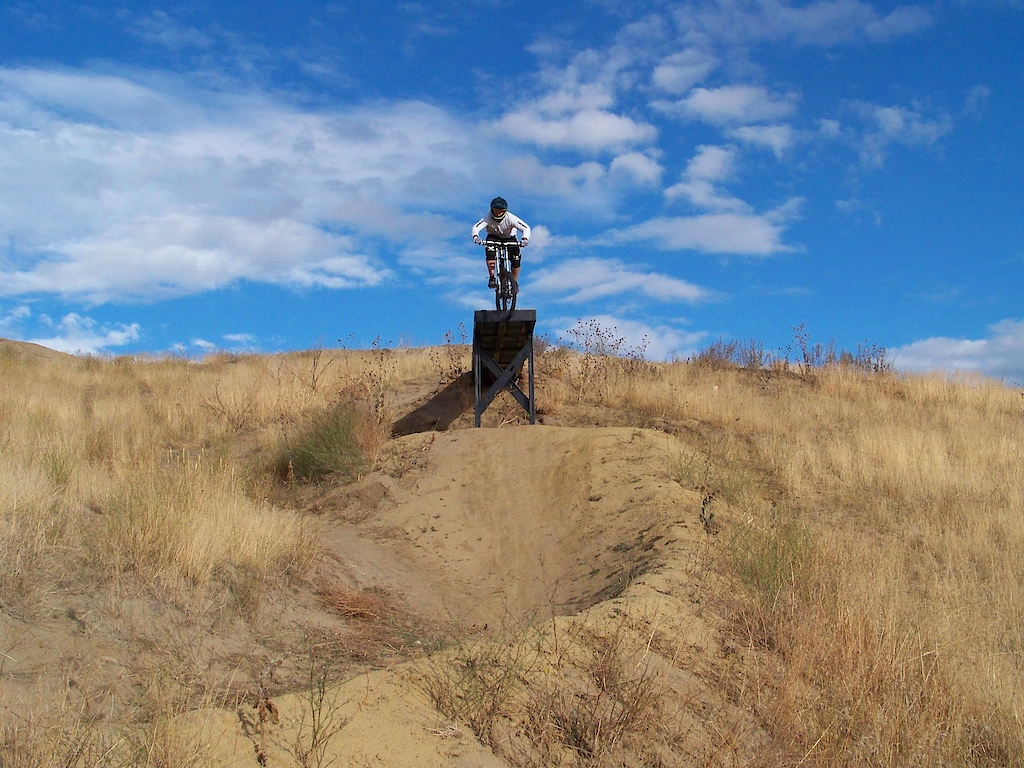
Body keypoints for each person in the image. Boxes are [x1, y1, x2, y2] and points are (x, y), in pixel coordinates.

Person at [471, 196, 530, 290]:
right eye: (496, 210)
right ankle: (492, 277)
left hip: (509, 238)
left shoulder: (511, 218)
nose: (498, 213)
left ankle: (514, 281)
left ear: (505, 211)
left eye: (501, 211)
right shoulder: (488, 217)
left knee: (516, 258)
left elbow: (525, 228)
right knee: (490, 251)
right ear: (492, 210)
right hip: (493, 236)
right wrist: (476, 237)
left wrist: (525, 239)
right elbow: (476, 227)